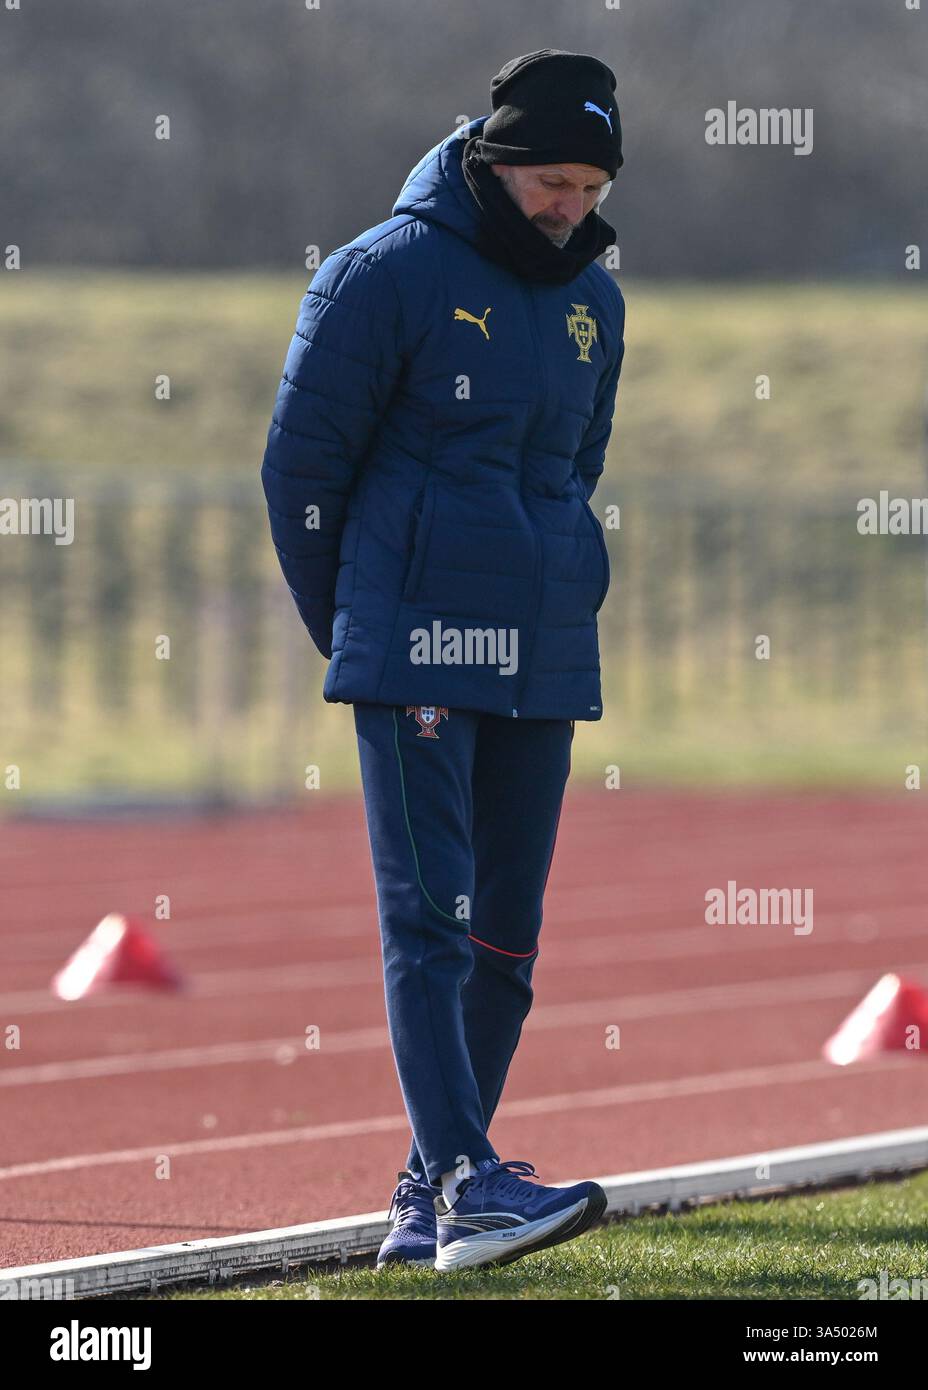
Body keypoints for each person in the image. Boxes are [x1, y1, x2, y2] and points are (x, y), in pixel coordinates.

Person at [261, 47, 626, 1272]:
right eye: (552, 182)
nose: (571, 207)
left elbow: (573, 472)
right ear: (496, 160)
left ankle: (431, 1193)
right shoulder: (383, 273)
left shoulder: (595, 304)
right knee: (434, 916)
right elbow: (300, 473)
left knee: (506, 939)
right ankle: (470, 1179)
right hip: (413, 645)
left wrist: (558, 576)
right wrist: (363, 630)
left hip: (541, 652)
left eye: (589, 185)